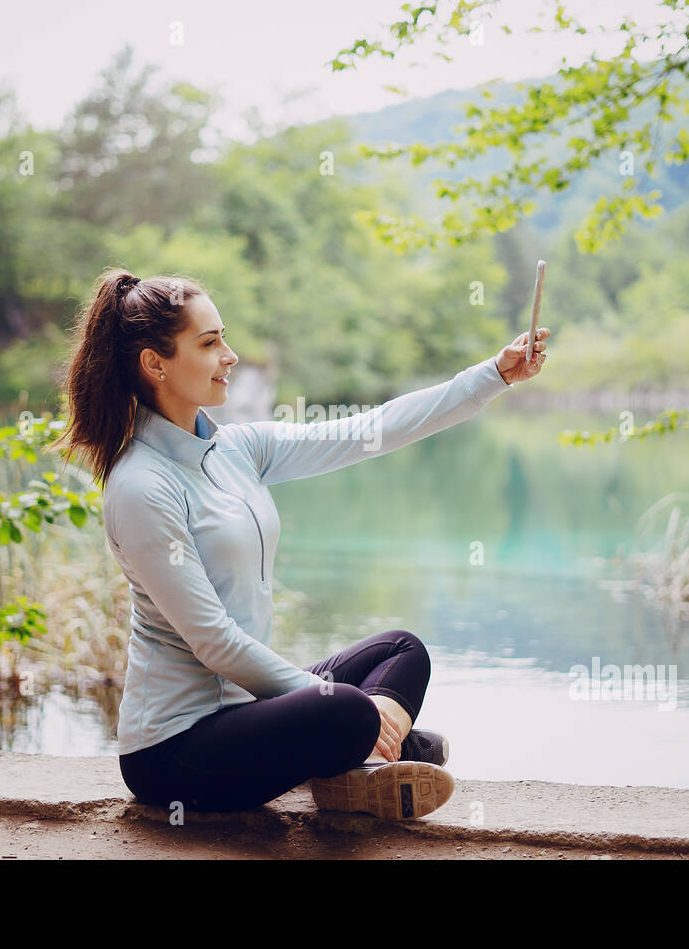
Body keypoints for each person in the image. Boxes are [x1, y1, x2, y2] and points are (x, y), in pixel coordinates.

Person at [46, 268, 548, 820]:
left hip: (246, 713)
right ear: (154, 362)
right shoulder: (142, 485)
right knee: (348, 712)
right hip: (175, 756)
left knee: (402, 652)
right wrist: (332, 700)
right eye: (210, 343)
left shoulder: (237, 448)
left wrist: (492, 376)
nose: (231, 355)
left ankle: (356, 760)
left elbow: (370, 430)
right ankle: (373, 748)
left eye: (224, 338)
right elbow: (214, 643)